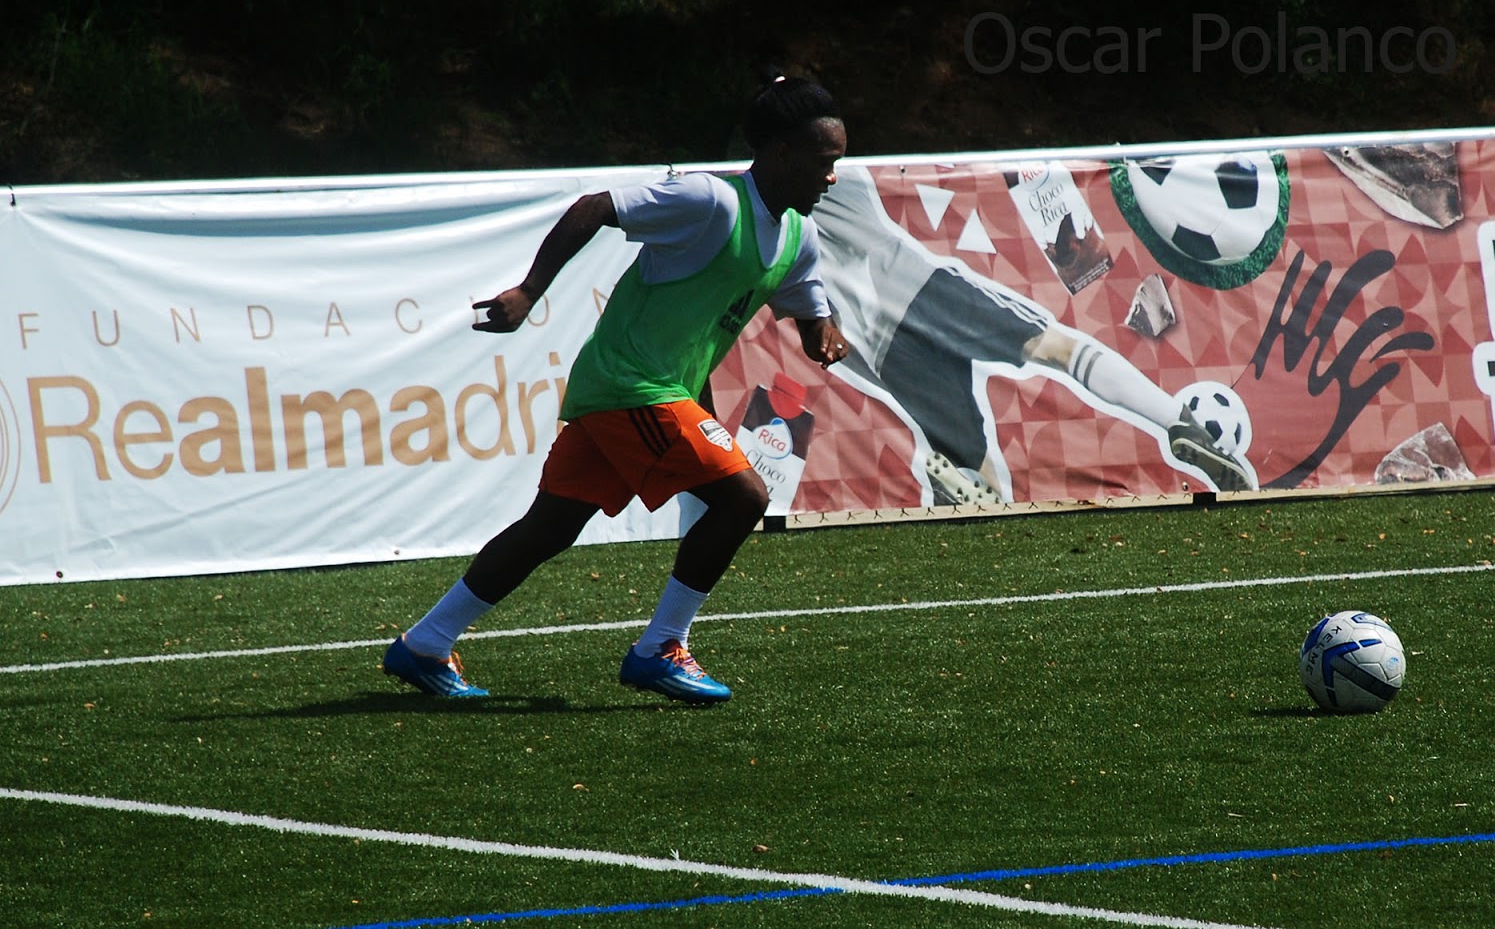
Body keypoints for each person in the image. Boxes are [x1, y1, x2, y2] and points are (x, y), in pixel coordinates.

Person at [382, 76, 850, 703]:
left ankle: (424, 645)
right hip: (630, 384)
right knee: (743, 498)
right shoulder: (712, 201)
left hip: (649, 391)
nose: (832, 178)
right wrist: (528, 291)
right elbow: (596, 207)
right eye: (825, 163)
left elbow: (806, 306)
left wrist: (823, 331)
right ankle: (660, 648)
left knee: (547, 529)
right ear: (783, 153)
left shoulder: (798, 235)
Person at [812, 167, 1256, 502]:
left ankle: (992, 515)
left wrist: (875, 372)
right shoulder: (828, 183)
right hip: (922, 288)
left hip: (883, 351)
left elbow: (809, 320)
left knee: (974, 459)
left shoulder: (765, 228)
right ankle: (1179, 425)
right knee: (1055, 348)